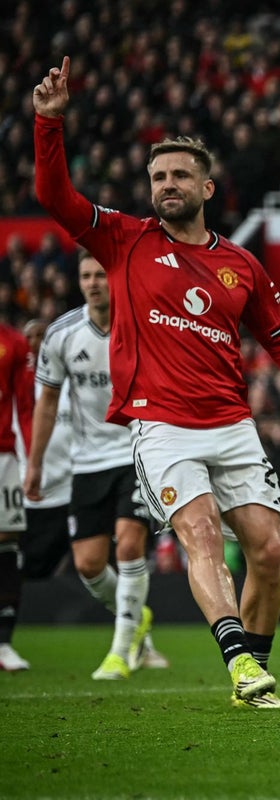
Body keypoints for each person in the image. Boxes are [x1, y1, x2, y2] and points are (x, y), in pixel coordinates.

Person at [33, 57, 280, 708]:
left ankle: (254, 677)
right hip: (163, 426)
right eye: (157, 176)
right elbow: (54, 198)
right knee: (200, 531)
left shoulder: (241, 265)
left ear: (207, 188)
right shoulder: (123, 240)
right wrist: (49, 123)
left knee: (267, 551)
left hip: (231, 425)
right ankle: (236, 661)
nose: (166, 184)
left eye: (179, 174)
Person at [24, 253, 168, 680]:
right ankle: (135, 617)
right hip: (86, 463)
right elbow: (47, 403)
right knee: (88, 564)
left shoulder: (142, 323)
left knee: (127, 546)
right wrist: (35, 465)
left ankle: (121, 651)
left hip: (137, 452)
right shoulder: (62, 334)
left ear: (114, 278)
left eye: (100, 275)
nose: (93, 283)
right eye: (86, 276)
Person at [19, 319, 73, 582]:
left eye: (42, 336)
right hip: (22, 494)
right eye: (30, 336)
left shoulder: (66, 384)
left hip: (66, 492)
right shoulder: (16, 386)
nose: (35, 342)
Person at [0, 318, 32, 672]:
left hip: (3, 454)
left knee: (6, 540)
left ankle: (4, 643)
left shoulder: (13, 342)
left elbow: (25, 405)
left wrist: (29, 462)